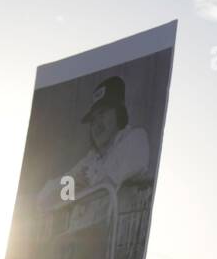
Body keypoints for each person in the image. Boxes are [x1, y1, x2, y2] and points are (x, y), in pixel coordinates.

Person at [38, 76, 150, 210]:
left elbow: (106, 186)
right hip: (91, 229)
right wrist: (70, 189)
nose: (97, 124)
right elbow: (43, 198)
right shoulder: (91, 159)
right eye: (93, 120)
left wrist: (73, 193)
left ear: (119, 113)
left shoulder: (135, 139)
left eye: (102, 113)